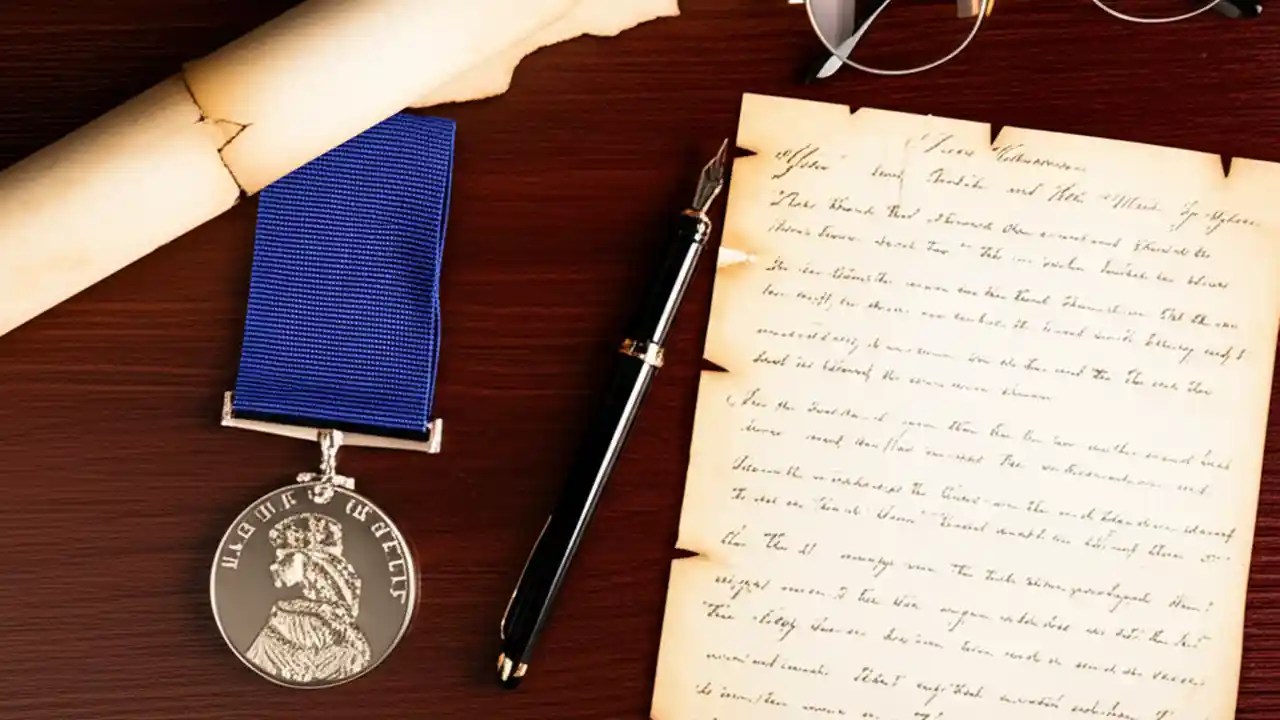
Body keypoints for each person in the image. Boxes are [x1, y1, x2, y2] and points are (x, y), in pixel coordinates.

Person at [246, 512, 372, 684]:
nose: (275, 566)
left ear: (306, 559)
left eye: (283, 558)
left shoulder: (288, 623)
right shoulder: (283, 621)